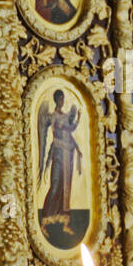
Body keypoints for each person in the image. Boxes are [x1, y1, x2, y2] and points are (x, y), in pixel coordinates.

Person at [37, 89, 82, 242]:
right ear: (56, 100)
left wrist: (77, 148)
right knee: (55, 185)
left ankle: (65, 222)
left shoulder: (64, 116)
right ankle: (44, 221)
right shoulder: (53, 117)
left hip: (68, 155)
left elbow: (69, 134)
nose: (62, 101)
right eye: (60, 99)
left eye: (63, 99)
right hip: (57, 154)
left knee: (66, 187)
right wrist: (77, 119)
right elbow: (68, 129)